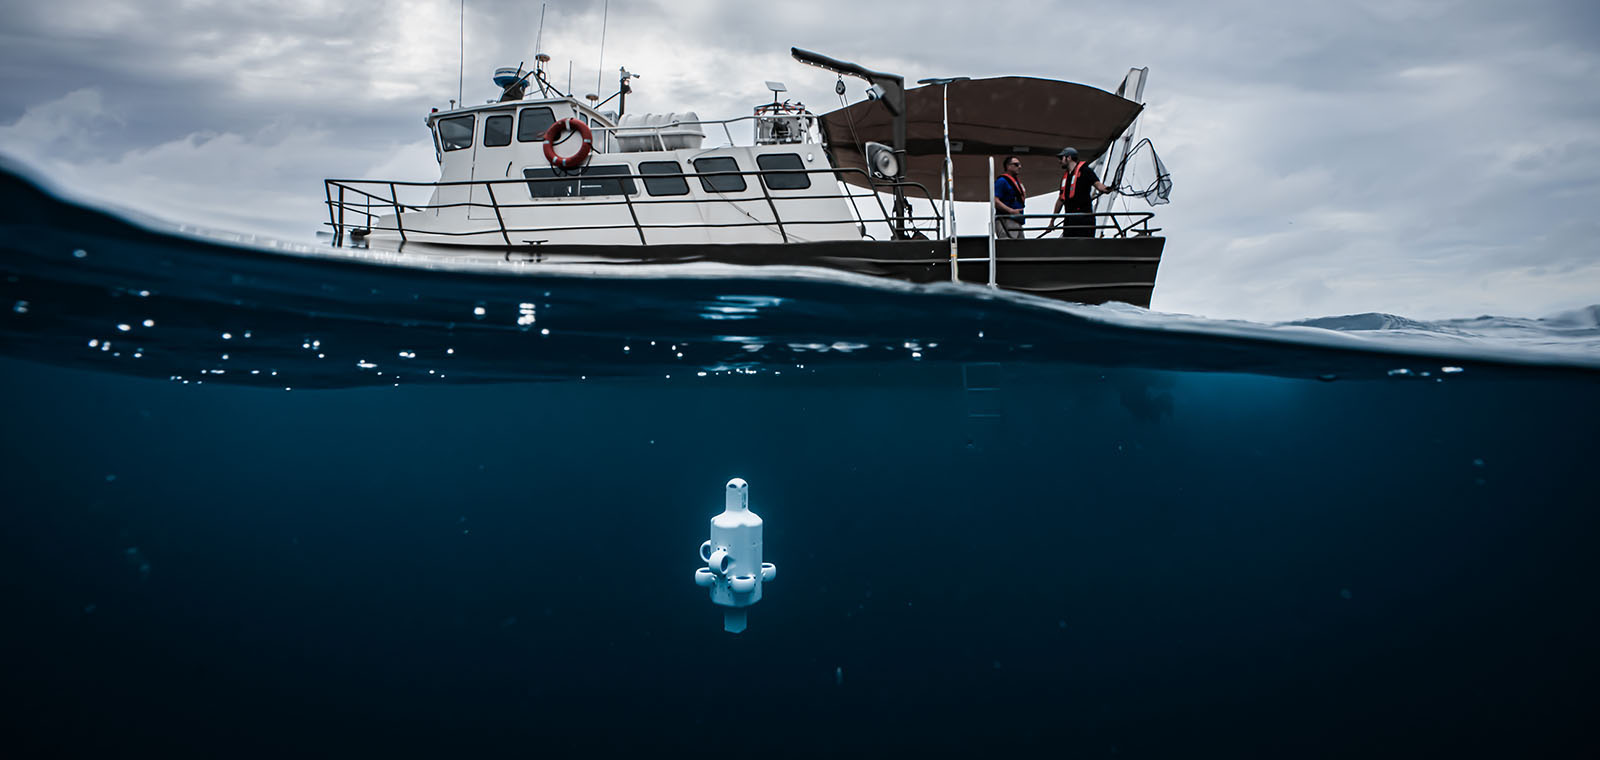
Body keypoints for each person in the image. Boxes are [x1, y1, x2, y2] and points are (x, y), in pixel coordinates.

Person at [1050, 147, 1115, 237]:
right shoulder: (1065, 178)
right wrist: (1052, 221)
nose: (1060, 161)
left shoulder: (1085, 171)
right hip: (1070, 220)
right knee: (1069, 245)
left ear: (1069, 158)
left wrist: (1106, 189)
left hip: (1084, 218)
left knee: (1084, 245)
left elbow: (1098, 185)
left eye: (1062, 158)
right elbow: (1061, 199)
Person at [992, 156, 1027, 239]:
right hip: (1007, 220)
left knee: (1021, 248)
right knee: (1010, 246)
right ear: (1008, 166)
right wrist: (1011, 211)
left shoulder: (1017, 182)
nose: (1019, 167)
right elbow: (995, 201)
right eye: (1016, 164)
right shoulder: (1002, 181)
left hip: (1017, 220)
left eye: (1019, 164)